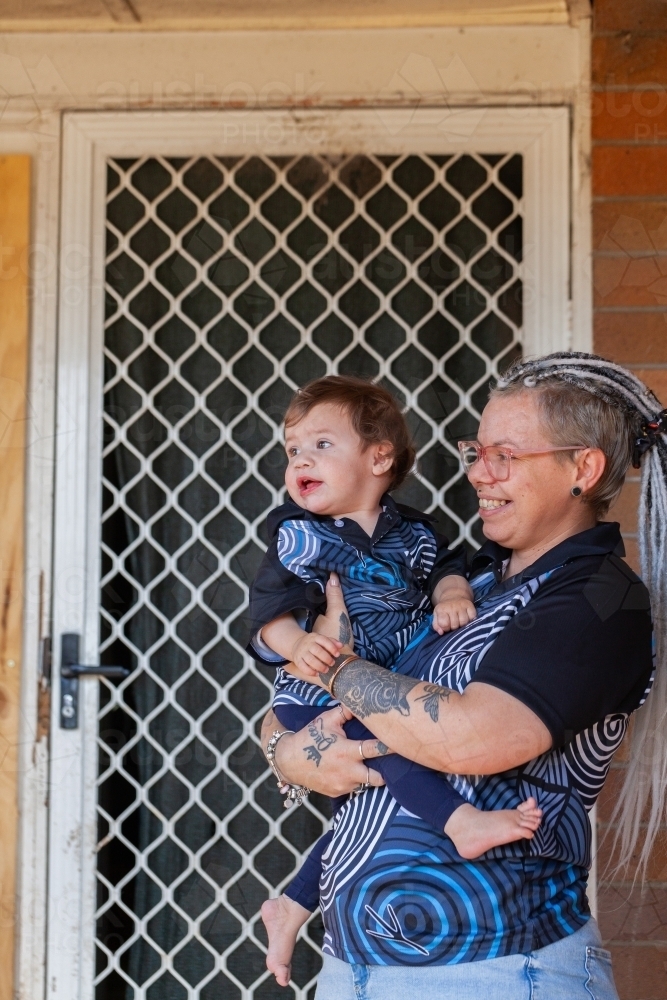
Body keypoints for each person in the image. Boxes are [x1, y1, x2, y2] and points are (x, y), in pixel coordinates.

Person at [260, 352, 667, 999]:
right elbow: (294, 716)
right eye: (475, 451)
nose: (477, 472)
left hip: (499, 966)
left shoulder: (599, 597)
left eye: (504, 455)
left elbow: (470, 738)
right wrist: (292, 754)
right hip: (353, 966)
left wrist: (330, 664)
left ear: (582, 469)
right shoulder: (469, 581)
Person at [249, 376, 542, 985]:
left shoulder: (416, 533)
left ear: (379, 457)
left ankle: (291, 906)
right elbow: (266, 617)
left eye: (321, 445)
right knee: (393, 762)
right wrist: (299, 644)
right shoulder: (296, 535)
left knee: (370, 809)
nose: (300, 460)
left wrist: (453, 592)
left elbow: (450, 569)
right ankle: (459, 823)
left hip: (383, 686)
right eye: (292, 449)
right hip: (315, 693)